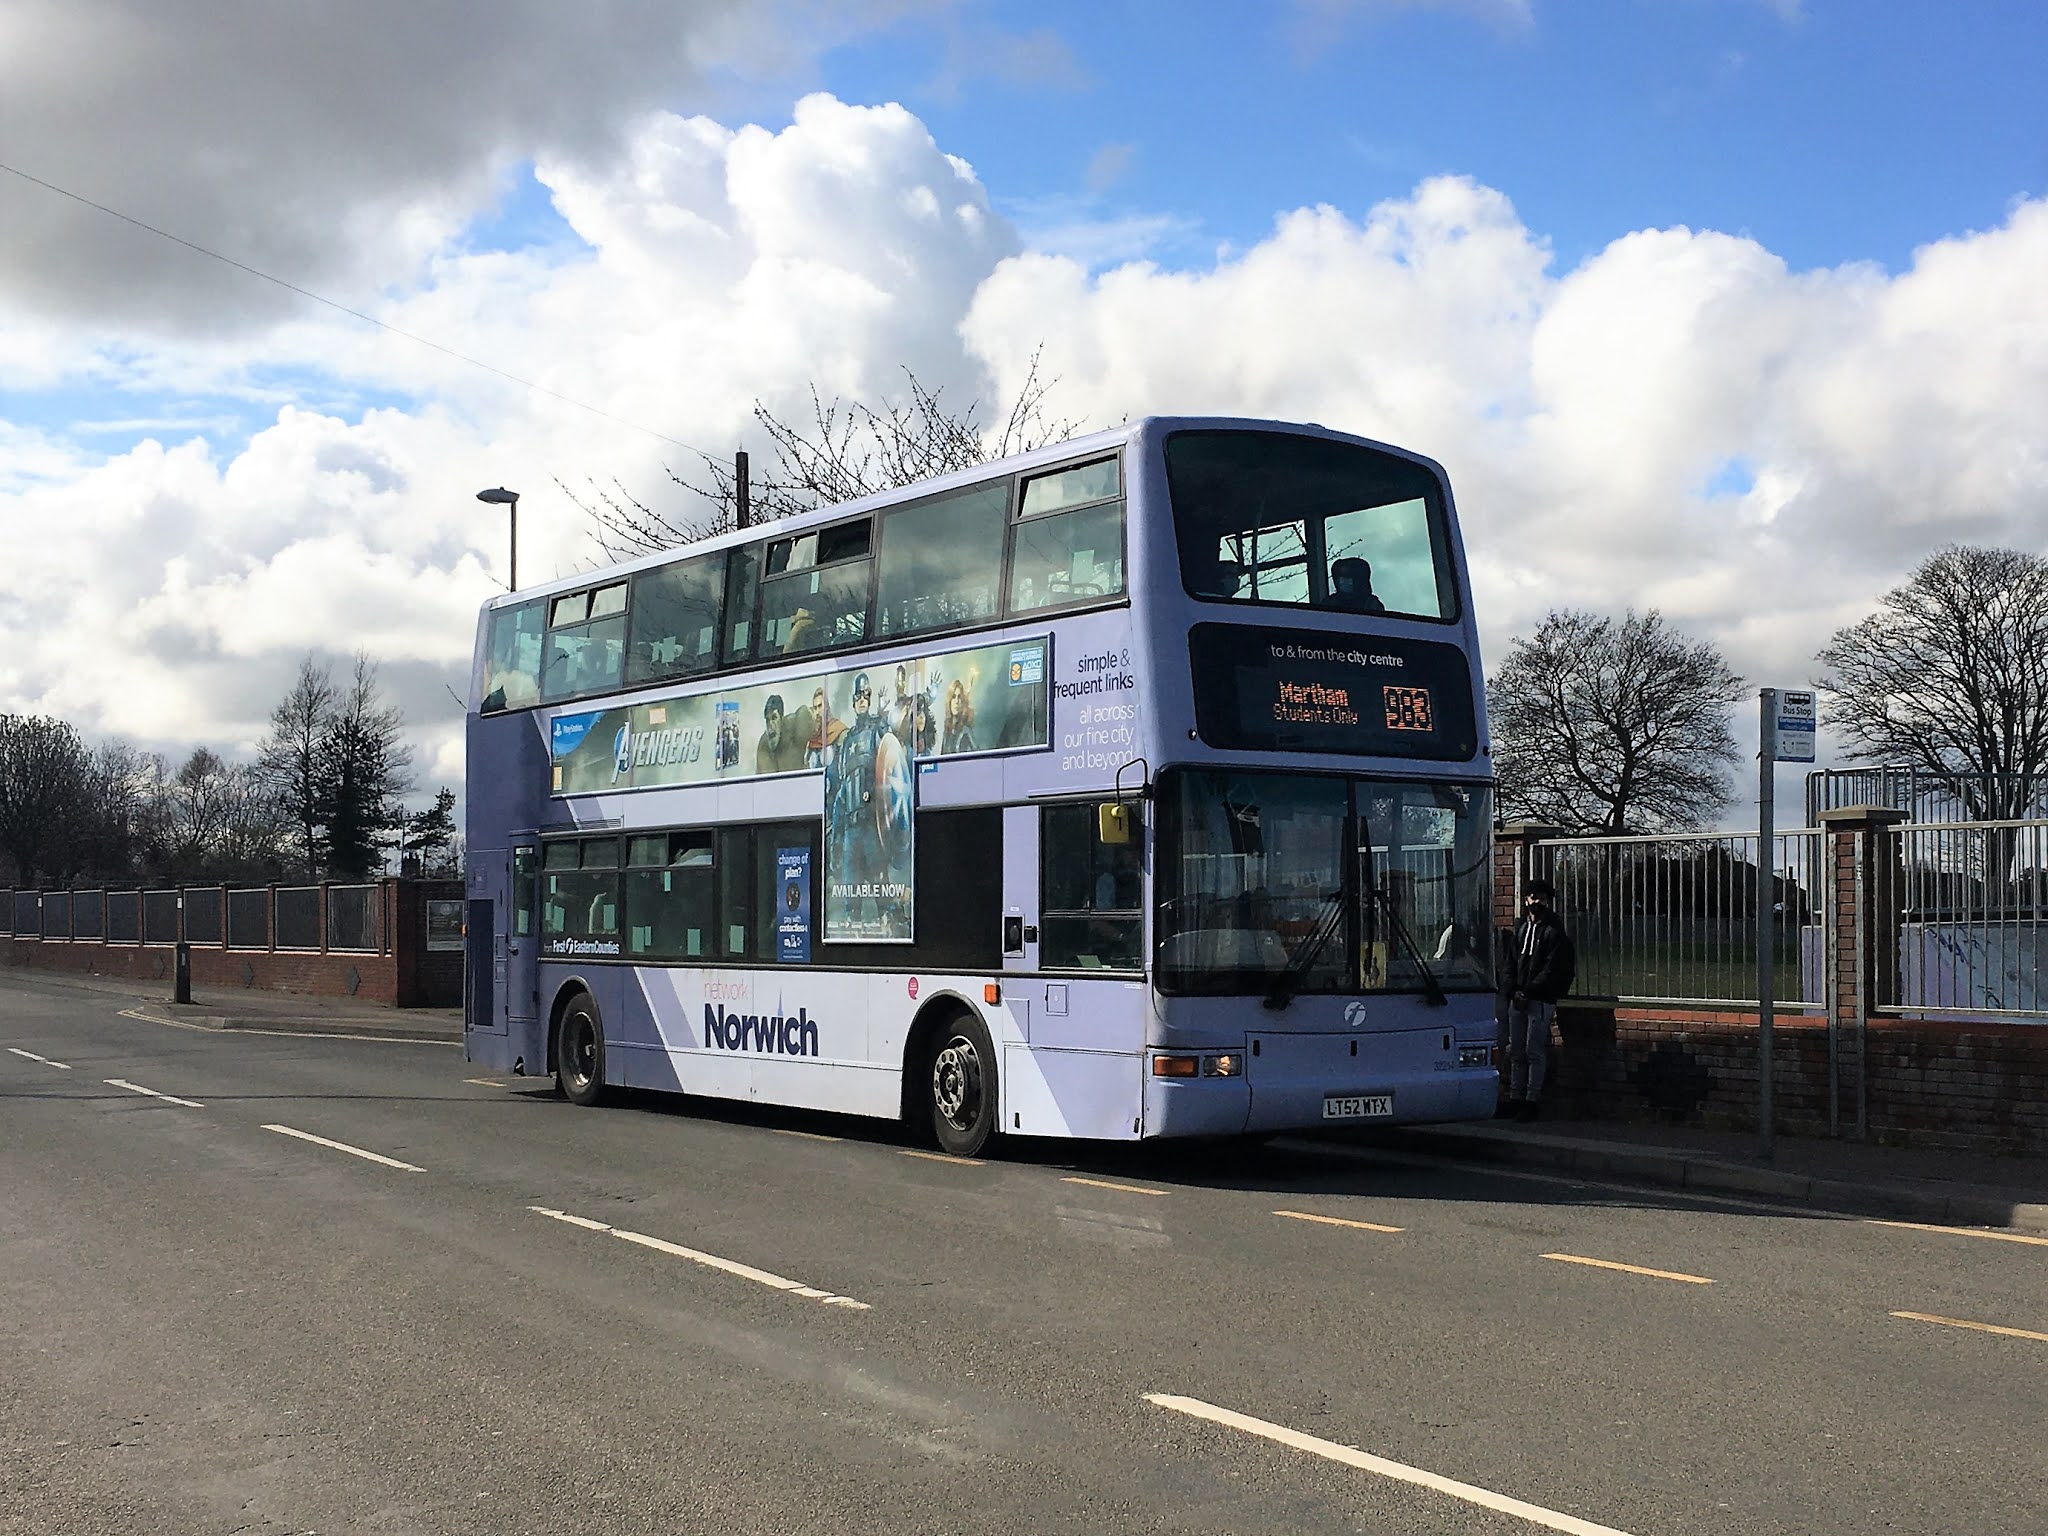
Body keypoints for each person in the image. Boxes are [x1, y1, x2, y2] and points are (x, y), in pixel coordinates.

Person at [1501, 878, 1572, 1121]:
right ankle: (1515, 1098)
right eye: (1533, 898)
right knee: (1516, 1051)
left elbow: (1552, 969)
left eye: (1542, 899)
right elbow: (1509, 963)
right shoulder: (1521, 929)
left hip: (1540, 999)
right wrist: (1512, 991)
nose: (1537, 902)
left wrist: (1528, 991)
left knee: (1534, 1051)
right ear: (1525, 900)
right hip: (1518, 999)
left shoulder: (1554, 932)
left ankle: (1531, 1101)